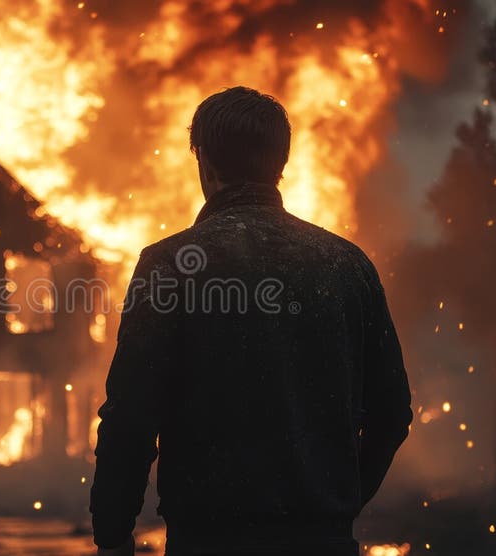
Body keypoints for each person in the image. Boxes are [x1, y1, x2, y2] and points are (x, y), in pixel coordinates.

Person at [89, 86, 413, 555]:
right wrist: (337, 501)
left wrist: (113, 536)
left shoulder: (170, 264)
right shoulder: (347, 264)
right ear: (280, 163)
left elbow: (131, 418)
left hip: (209, 541)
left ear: (204, 161)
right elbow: (391, 412)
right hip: (324, 540)